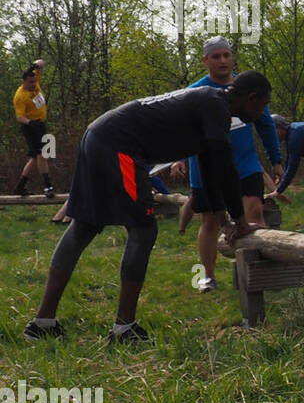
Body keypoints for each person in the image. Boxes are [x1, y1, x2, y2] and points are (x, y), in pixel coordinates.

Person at [23, 72, 271, 343]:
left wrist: (226, 222)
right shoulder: (216, 108)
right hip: (119, 145)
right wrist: (242, 222)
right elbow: (225, 169)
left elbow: (211, 171)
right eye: (262, 105)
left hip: (99, 135)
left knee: (85, 226)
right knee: (142, 229)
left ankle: (43, 323)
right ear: (251, 98)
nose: (261, 113)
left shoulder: (209, 104)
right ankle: (124, 328)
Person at [175, 36, 282, 292]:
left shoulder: (249, 88)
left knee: (254, 210)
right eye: (216, 57)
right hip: (206, 168)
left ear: (232, 57)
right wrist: (178, 158)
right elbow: (182, 129)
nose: (222, 61)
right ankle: (208, 277)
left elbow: (266, 125)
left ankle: (256, 270)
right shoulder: (197, 91)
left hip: (245, 163)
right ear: (205, 61)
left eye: (226, 55)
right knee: (210, 221)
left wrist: (276, 160)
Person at [13, 66, 54, 197]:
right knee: (41, 155)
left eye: (34, 81)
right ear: (23, 81)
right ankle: (48, 186)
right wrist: (31, 123)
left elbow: (40, 63)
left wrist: (33, 67)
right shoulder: (20, 96)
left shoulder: (36, 83)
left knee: (39, 157)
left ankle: (20, 186)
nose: (33, 84)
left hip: (41, 124)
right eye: (30, 82)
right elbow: (19, 117)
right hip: (31, 126)